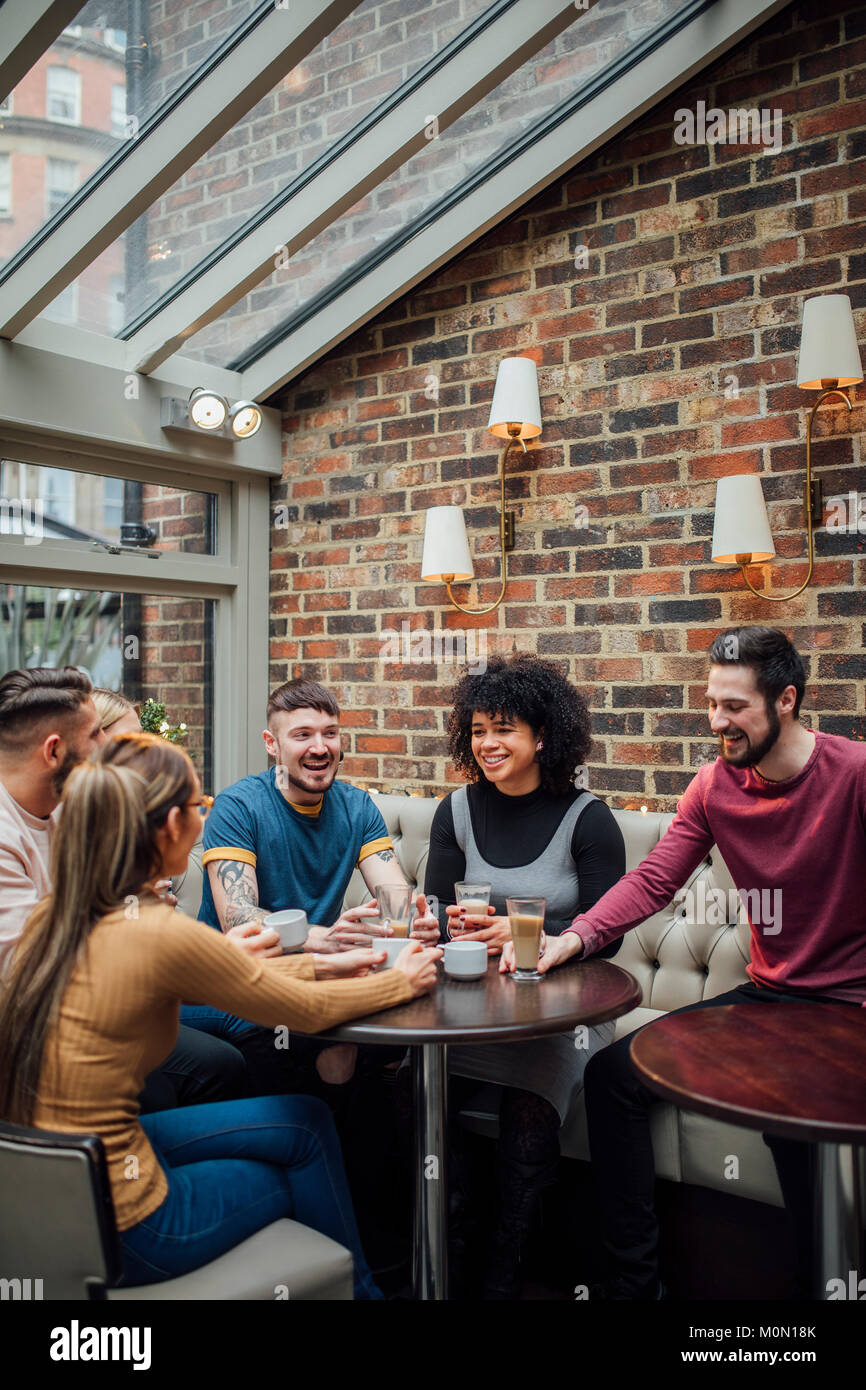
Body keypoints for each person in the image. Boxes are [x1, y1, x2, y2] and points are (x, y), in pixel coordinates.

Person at [0, 732, 441, 1295]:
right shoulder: (157, 931)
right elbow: (303, 1012)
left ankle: (349, 1284)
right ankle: (358, 1289)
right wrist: (399, 981)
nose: (203, 818)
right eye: (196, 807)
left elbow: (247, 979)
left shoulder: (57, 915)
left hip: (50, 1191)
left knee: (304, 1120)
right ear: (166, 827)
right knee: (296, 1164)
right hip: (125, 1228)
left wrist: (330, 964)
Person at [503, 626, 866, 1299]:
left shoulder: (854, 775)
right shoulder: (713, 786)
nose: (718, 721)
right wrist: (572, 939)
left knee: (793, 1123)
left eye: (735, 706)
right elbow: (655, 880)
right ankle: (635, 1285)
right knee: (614, 1075)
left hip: (848, 1008)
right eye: (711, 703)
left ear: (786, 700)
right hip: (769, 999)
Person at [424, 653, 626, 1298]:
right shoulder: (454, 811)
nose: (488, 743)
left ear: (543, 736)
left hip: (561, 1015)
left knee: (527, 1116)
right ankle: (442, 1248)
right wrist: (451, 926)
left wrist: (520, 935)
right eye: (479, 729)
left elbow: (610, 933)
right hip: (471, 1007)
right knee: (408, 1092)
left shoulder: (588, 819)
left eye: (504, 728)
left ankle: (505, 1271)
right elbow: (435, 912)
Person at [0, 667, 245, 1112]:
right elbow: (34, 982)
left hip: (98, 1011)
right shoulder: (6, 837)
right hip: (40, 1048)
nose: (112, 752)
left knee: (221, 1064)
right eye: (97, 735)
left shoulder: (67, 809)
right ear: (54, 751)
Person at [187, 676, 440, 1098]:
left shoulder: (357, 807)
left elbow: (395, 895)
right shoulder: (239, 806)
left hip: (320, 976)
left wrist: (414, 921)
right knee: (331, 1045)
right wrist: (320, 937)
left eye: (330, 733)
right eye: (302, 735)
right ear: (271, 743)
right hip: (233, 982)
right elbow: (240, 920)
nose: (320, 747)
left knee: (395, 1029)